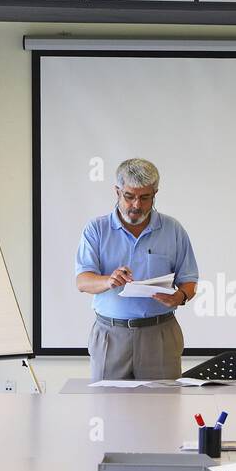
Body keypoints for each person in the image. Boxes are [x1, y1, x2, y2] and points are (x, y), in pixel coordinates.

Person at [74, 158, 199, 380]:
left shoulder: (172, 229)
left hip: (159, 333)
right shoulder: (97, 229)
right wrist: (108, 281)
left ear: (155, 194)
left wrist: (179, 297)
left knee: (163, 410)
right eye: (129, 196)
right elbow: (83, 281)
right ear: (117, 192)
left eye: (144, 198)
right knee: (107, 409)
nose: (136, 205)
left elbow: (189, 280)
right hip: (110, 335)